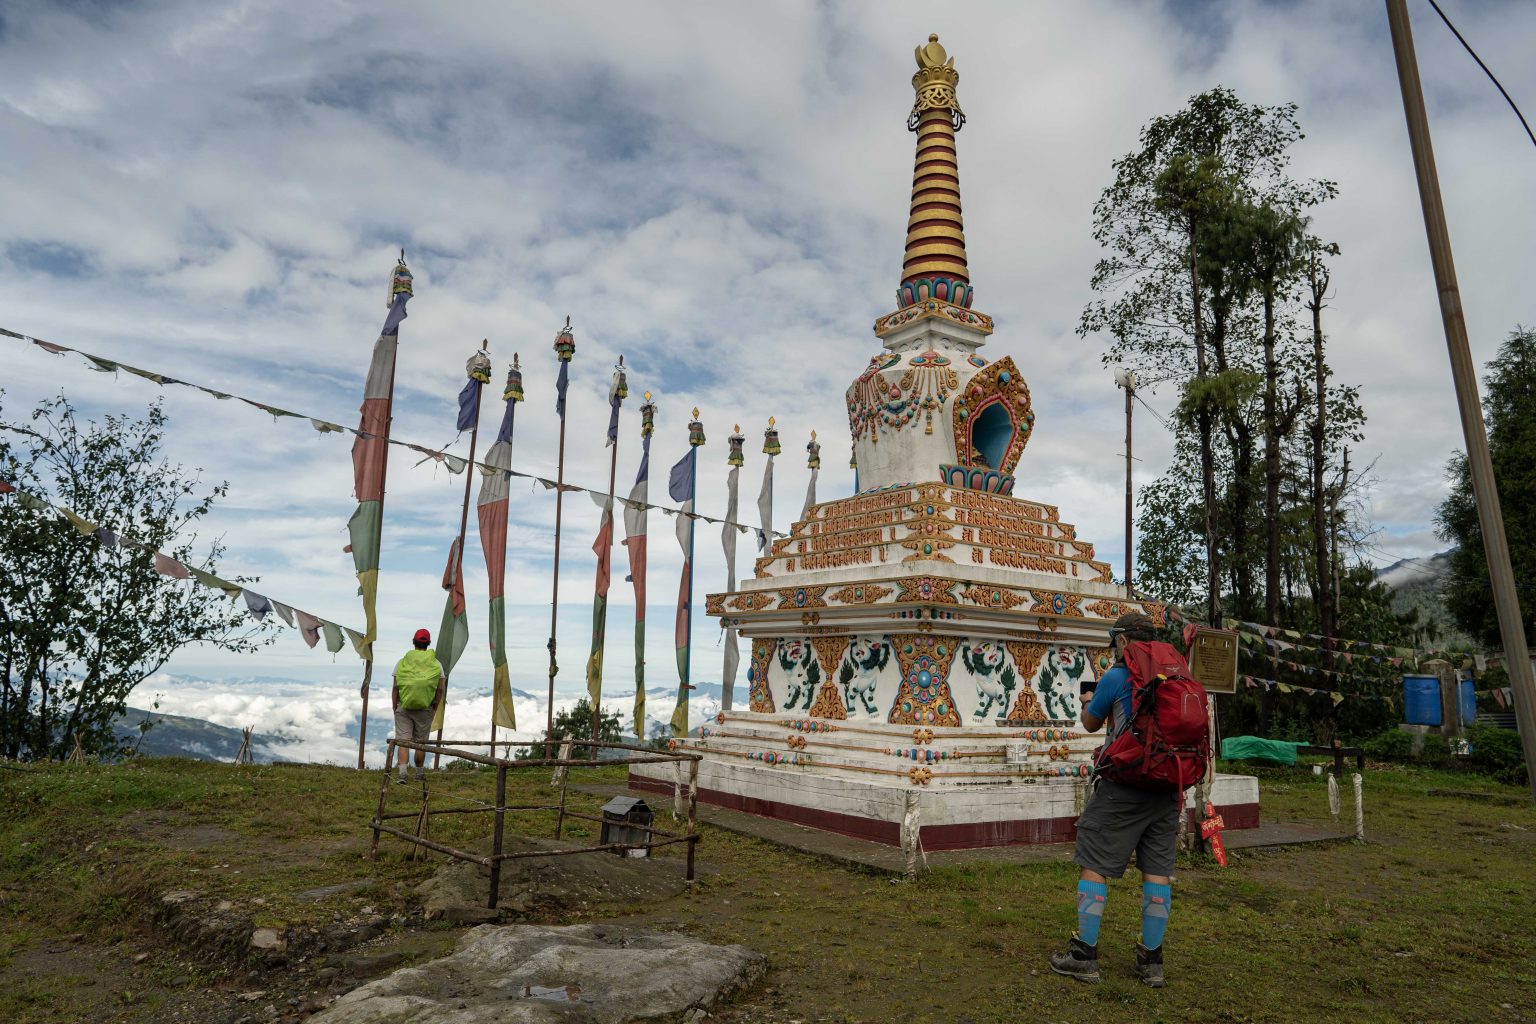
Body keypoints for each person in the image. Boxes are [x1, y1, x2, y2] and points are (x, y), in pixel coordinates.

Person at [1049, 611, 1177, 988]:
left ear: (1121, 642)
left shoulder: (1118, 676)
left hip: (1125, 784)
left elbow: (1090, 723)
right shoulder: (1175, 676)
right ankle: (1151, 962)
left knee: (1094, 861)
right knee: (1157, 870)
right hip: (1168, 786)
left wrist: (1089, 699)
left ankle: (1083, 954)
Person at [391, 628, 444, 783]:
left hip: (404, 706)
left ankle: (402, 774)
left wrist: (395, 706)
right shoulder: (436, 664)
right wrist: (434, 706)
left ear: (413, 642)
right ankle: (419, 774)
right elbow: (440, 689)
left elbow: (395, 687)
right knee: (421, 742)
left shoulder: (402, 662)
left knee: (403, 740)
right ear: (428, 644)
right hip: (425, 708)